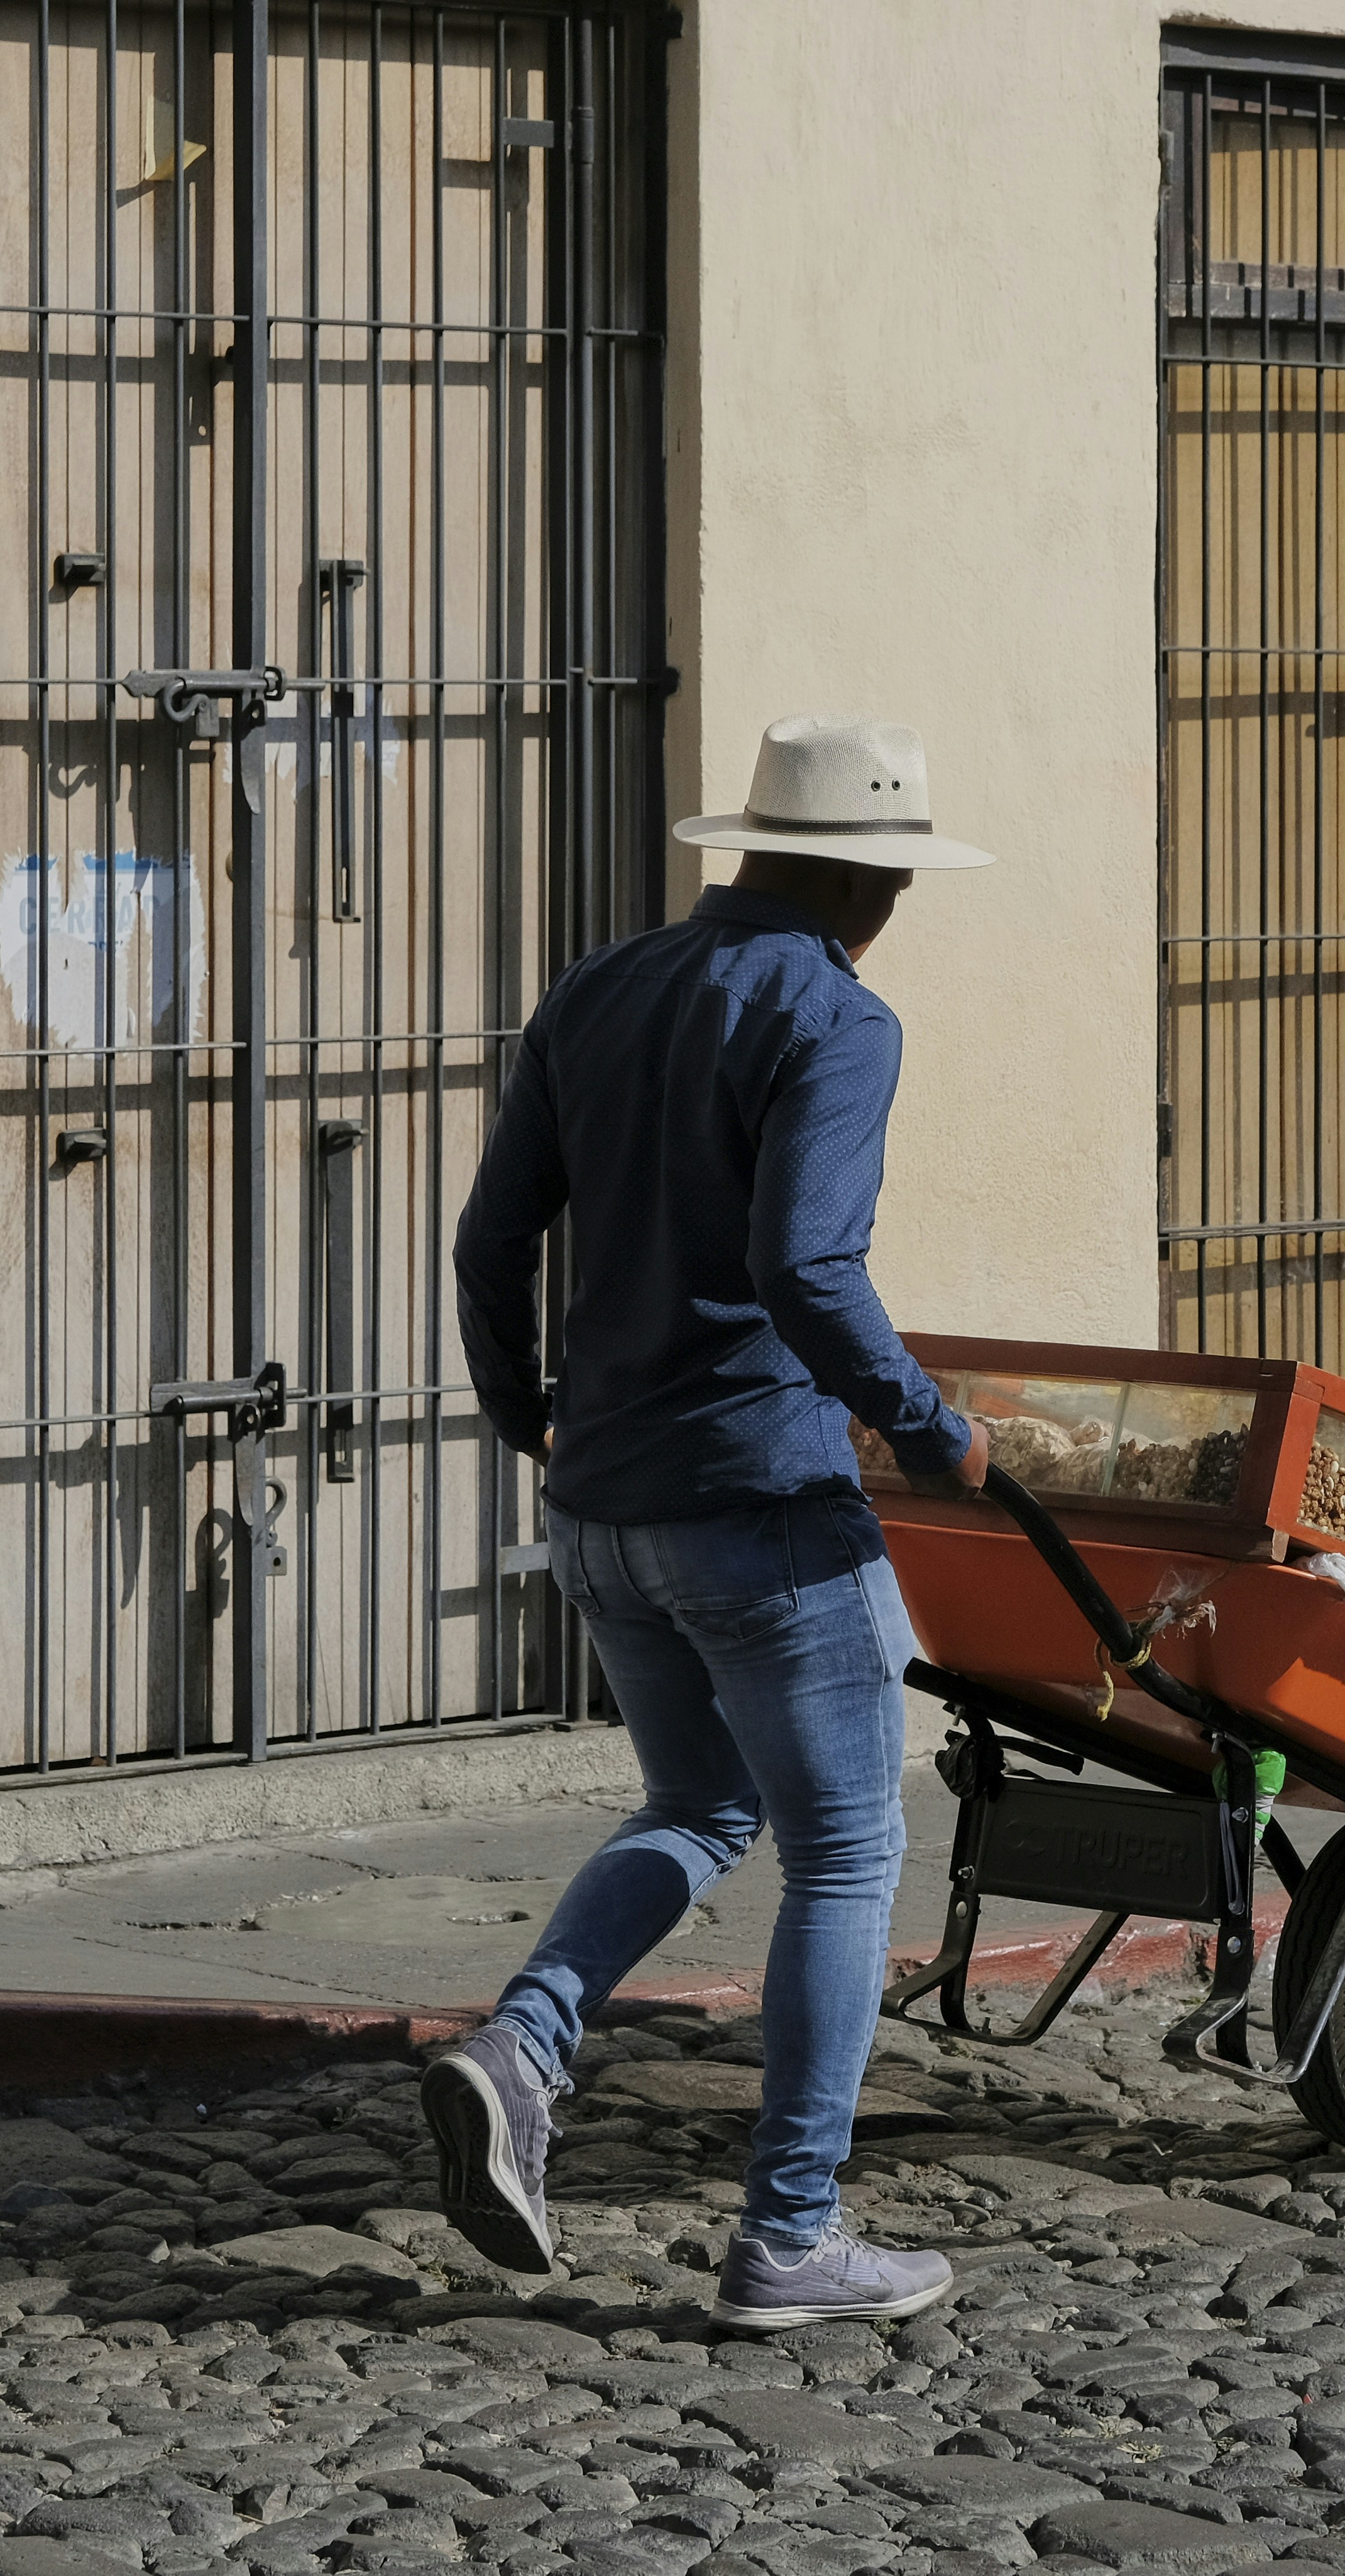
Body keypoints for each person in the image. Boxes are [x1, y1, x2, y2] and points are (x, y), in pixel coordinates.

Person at [425, 712, 996, 2330]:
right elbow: (807, 1270)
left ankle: (524, 2042)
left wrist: (518, 1408)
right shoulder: (837, 1014)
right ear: (872, 885)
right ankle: (789, 2235)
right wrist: (928, 1425)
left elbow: (487, 1237)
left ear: (745, 849)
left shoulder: (600, 987)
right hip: (759, 1499)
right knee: (847, 1852)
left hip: (601, 1494)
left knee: (696, 1800)